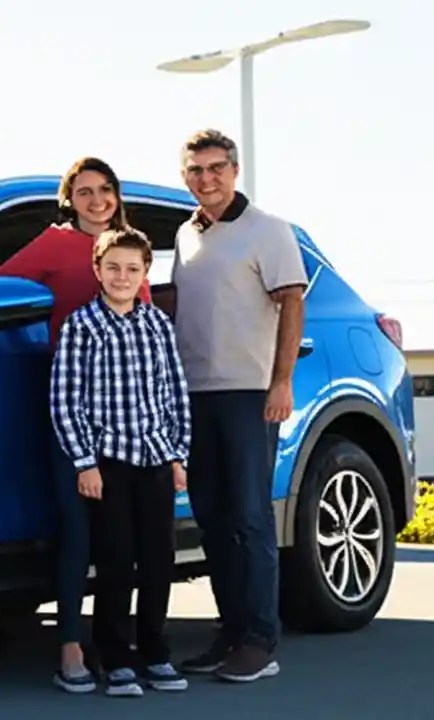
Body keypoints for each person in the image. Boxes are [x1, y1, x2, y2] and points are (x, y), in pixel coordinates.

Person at [0, 157, 152, 693]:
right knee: (77, 531)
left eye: (105, 190)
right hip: (74, 411)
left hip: (127, 421)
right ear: (70, 200)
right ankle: (69, 647)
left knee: (119, 540)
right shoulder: (55, 244)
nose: (97, 200)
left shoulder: (130, 249)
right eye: (85, 192)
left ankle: (117, 650)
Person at [169, 129, 308, 683]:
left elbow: (291, 303)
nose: (207, 178)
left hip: (249, 393)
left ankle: (260, 641)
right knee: (212, 518)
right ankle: (230, 632)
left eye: (216, 168)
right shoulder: (185, 235)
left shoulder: (269, 231)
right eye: (196, 171)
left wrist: (281, 382)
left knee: (250, 518)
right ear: (186, 177)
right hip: (194, 396)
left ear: (235, 169)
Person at [49, 227, 192, 698]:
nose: (122, 276)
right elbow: (66, 401)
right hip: (108, 463)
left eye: (133, 269)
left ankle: (155, 651)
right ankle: (114, 656)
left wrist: (177, 454)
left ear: (145, 273)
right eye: (113, 267)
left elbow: (175, 395)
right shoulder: (81, 326)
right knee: (115, 560)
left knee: (158, 560)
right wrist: (84, 462)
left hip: (154, 458)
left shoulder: (157, 326)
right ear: (97, 270)